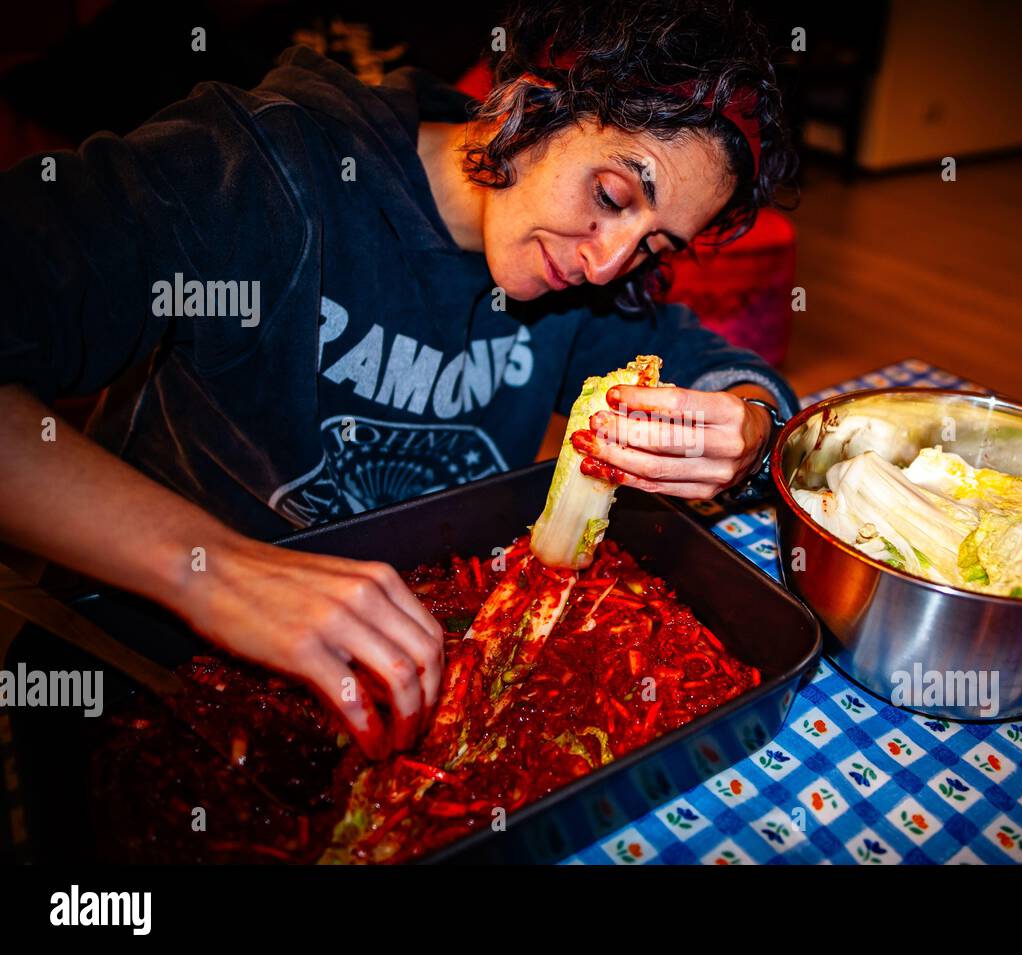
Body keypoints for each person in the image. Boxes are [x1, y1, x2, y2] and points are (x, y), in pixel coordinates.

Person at [0, 0, 799, 758]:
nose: (607, 261)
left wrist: (750, 426)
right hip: (147, 664)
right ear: (527, 101)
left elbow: (725, 374)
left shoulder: (585, 284)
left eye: (654, 245)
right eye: (613, 194)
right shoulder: (250, 170)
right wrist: (212, 568)